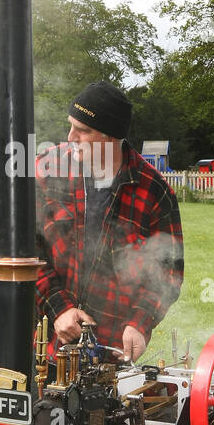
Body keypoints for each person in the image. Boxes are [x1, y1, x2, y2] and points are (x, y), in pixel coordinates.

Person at [35, 80, 184, 362]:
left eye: (83, 130)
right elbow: (27, 249)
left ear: (111, 137)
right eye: (70, 125)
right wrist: (59, 307)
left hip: (111, 355)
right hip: (48, 348)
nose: (70, 137)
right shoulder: (46, 171)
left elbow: (169, 271)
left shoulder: (154, 190)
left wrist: (140, 323)